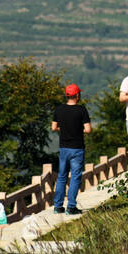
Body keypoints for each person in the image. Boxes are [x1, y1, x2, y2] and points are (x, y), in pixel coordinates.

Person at [52, 83, 92, 214]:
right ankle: (71, 206)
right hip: (77, 148)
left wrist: (63, 129)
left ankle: (58, 206)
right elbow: (88, 130)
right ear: (77, 95)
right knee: (75, 177)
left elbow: (53, 127)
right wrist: (78, 129)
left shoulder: (59, 109)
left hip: (64, 148)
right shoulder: (81, 110)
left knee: (62, 177)